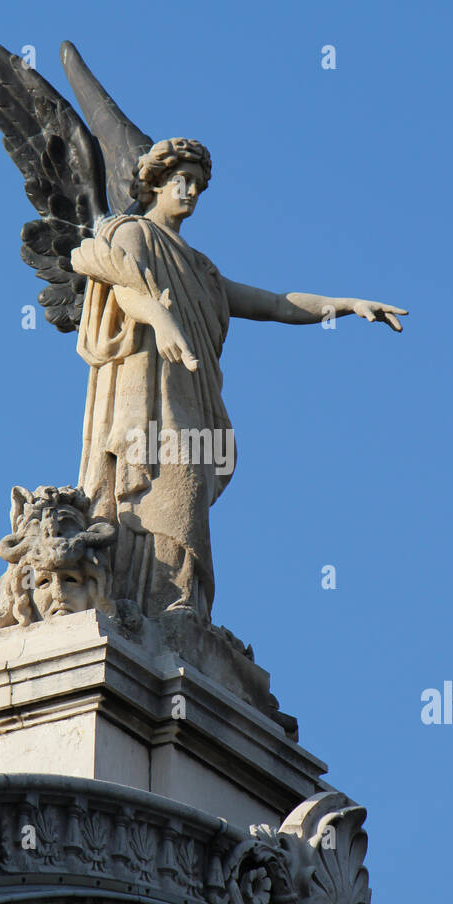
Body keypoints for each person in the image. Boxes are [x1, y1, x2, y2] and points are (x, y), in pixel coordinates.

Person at [72, 138, 406, 621]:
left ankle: (176, 605)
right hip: (146, 390)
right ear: (155, 184)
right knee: (164, 478)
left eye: (198, 185)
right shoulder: (133, 233)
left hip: (189, 390)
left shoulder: (203, 270)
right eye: (180, 180)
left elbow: (276, 304)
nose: (190, 191)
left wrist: (349, 305)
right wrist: (162, 321)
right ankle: (150, 602)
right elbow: (126, 285)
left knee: (188, 483)